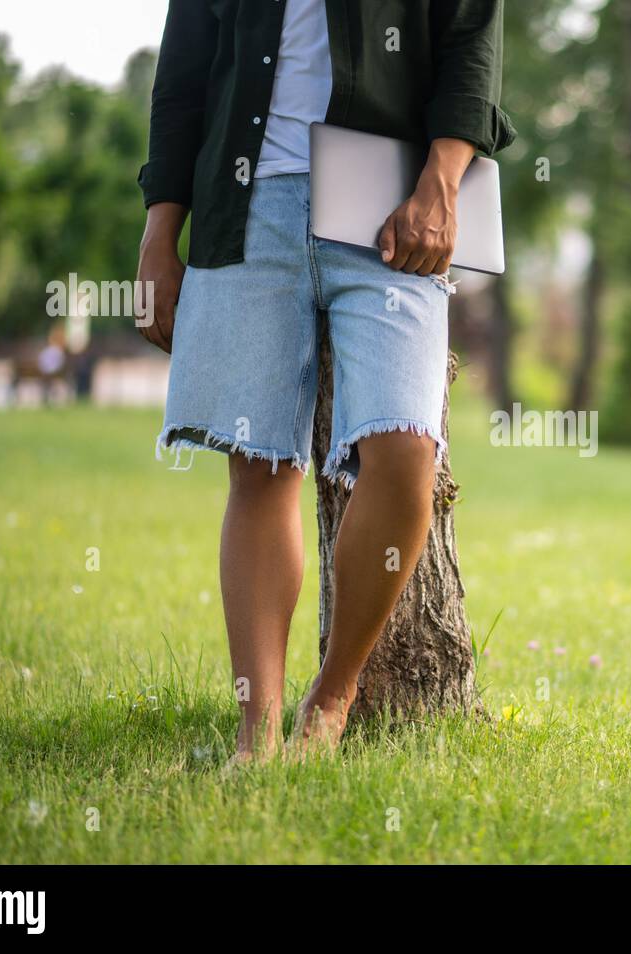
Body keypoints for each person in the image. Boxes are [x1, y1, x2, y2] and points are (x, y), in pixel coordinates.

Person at [134, 0, 515, 761]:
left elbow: (471, 35)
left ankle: (332, 698)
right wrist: (157, 233)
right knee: (260, 463)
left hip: (392, 206)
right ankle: (257, 735)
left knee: (407, 452)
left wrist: (442, 180)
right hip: (243, 207)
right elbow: (181, 79)